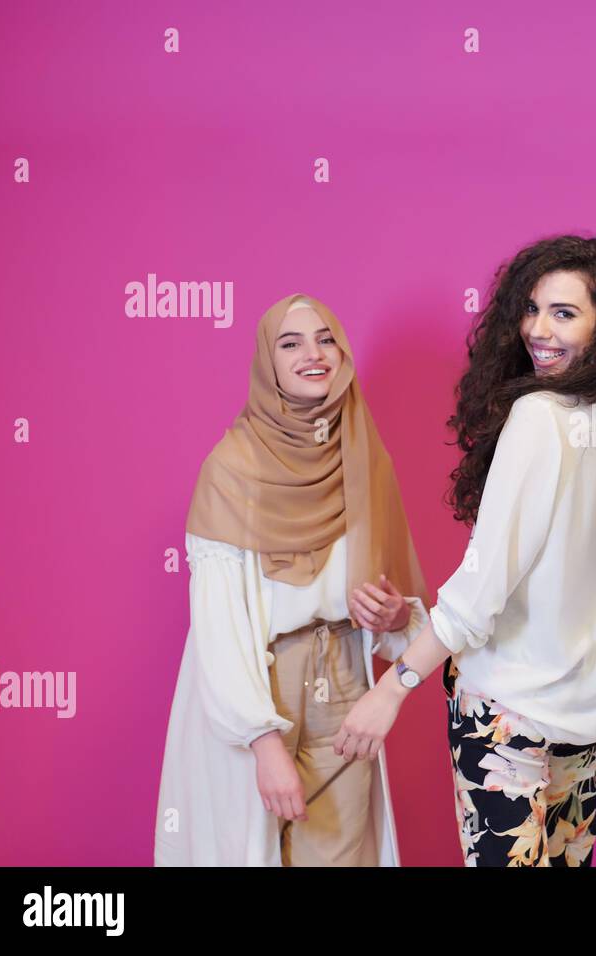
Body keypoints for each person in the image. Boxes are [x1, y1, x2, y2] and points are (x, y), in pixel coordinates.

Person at [334, 235, 596, 866]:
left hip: (508, 716)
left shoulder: (539, 417)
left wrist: (394, 686)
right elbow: (584, 588)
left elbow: (481, 594)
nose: (537, 330)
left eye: (564, 313)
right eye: (532, 308)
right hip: (594, 714)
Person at [154, 293, 430, 866]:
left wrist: (397, 618)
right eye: (291, 343)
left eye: (326, 338)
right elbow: (218, 631)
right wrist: (263, 742)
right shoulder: (232, 469)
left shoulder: (363, 457)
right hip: (261, 692)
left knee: (341, 855)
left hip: (346, 684)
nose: (314, 353)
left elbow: (396, 609)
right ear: (268, 364)